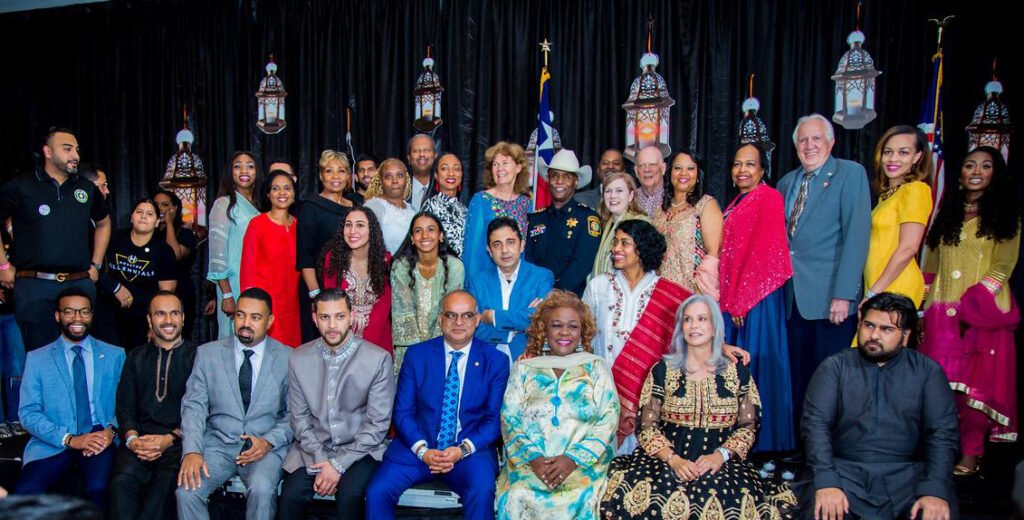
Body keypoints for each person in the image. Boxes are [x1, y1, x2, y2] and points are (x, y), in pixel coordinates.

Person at [600, 295, 796, 519]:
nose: (694, 325)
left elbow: (749, 427)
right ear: (680, 328)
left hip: (721, 459)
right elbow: (647, 427)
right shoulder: (662, 370)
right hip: (667, 458)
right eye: (688, 320)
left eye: (702, 319)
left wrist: (720, 456)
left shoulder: (737, 372)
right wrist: (673, 460)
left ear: (714, 328)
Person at [795, 293, 958, 520]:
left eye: (886, 329)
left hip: (909, 475)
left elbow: (942, 433)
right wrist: (827, 481)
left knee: (935, 511)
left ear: (905, 336)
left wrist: (935, 489)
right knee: (821, 510)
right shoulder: (835, 367)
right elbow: (815, 426)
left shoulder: (927, 371)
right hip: (843, 472)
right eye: (869, 325)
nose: (873, 335)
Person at [365, 290, 510, 520]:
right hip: (417, 449)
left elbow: (494, 420)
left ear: (477, 319)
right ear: (440, 319)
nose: (459, 322)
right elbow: (402, 412)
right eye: (451, 315)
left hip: (469, 451)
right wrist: (423, 451)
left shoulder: (496, 361)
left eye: (467, 315)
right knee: (377, 492)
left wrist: (460, 451)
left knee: (482, 490)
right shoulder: (417, 355)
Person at [920, 146, 1020, 477]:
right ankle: (940, 450)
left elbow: (1004, 265)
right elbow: (931, 266)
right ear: (960, 174)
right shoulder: (946, 215)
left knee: (976, 388)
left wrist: (976, 300)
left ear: (995, 174)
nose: (976, 170)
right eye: (969, 165)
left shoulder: (1005, 216)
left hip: (982, 316)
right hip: (940, 316)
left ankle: (971, 452)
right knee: (941, 388)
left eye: (985, 165)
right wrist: (922, 306)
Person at [776, 114, 870, 432]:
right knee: (798, 378)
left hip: (830, 299)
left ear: (830, 142)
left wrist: (844, 294)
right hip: (792, 301)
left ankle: (830, 452)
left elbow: (856, 237)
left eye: (816, 138)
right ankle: (804, 448)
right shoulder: (787, 182)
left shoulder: (849, 175)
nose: (809, 145)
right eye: (803, 140)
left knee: (830, 380)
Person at [495, 289, 619, 519]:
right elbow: (509, 419)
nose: (565, 333)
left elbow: (608, 419)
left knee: (583, 497)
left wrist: (573, 459)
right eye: (556, 325)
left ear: (583, 332)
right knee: (517, 495)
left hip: (585, 466)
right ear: (544, 329)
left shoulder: (596, 368)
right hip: (530, 465)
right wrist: (534, 459)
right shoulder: (524, 369)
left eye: (573, 326)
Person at [176, 288, 292, 520]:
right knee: (186, 491)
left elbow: (295, 414)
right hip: (217, 445)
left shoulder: (288, 357)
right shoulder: (208, 354)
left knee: (262, 489)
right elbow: (194, 407)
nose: (246, 323)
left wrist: (269, 442)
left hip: (264, 448)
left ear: (270, 321)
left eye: (255, 317)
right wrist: (192, 451)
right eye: (240, 315)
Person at [278, 289, 395, 519]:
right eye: (325, 317)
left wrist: (338, 465)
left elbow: (377, 426)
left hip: (361, 451)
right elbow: (299, 419)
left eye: (339, 316)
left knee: (350, 495)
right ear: (314, 319)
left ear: (351, 317)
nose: (332, 325)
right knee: (290, 495)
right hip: (313, 449)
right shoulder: (299, 357)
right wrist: (322, 460)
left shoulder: (377, 359)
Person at [582, 219, 690, 452]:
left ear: (642, 248)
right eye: (615, 243)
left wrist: (722, 348)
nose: (616, 249)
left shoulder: (670, 294)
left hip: (648, 398)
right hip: (604, 391)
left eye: (625, 243)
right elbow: (582, 336)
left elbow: (692, 336)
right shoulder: (598, 286)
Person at [0, 128, 111, 351]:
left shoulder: (86, 189)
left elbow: (104, 223)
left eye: (77, 150)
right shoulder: (21, 186)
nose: (75, 156)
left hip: (78, 283)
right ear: (47, 152)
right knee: (39, 356)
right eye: (67, 149)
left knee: (78, 353)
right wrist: (3, 265)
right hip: (35, 286)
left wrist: (96, 264)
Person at [15, 287, 125, 509]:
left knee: (98, 488)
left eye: (84, 312)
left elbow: (127, 404)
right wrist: (69, 439)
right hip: (52, 440)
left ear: (92, 315)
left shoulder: (115, 354)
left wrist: (110, 431)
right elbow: (28, 412)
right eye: (70, 312)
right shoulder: (37, 358)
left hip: (98, 437)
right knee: (25, 493)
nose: (77, 318)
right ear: (58, 316)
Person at [719, 143, 795, 452]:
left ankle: (764, 444)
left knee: (758, 367)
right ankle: (736, 441)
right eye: (737, 164)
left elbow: (765, 255)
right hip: (739, 295)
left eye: (750, 164)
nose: (742, 170)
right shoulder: (738, 200)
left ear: (763, 169)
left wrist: (742, 300)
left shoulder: (769, 198)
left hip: (757, 298)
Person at [109, 291, 196, 520]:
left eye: (174, 313)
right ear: (149, 320)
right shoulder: (135, 357)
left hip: (179, 444)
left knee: (165, 490)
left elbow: (203, 411)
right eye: (160, 314)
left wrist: (170, 439)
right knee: (121, 483)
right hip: (138, 443)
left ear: (183, 318)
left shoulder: (199, 358)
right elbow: (125, 406)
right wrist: (133, 439)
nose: (168, 321)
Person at [296, 150, 363, 343]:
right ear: (320, 175)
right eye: (329, 171)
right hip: (320, 287)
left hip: (351, 285)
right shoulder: (311, 207)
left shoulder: (355, 206)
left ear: (348, 176)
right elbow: (305, 257)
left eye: (341, 171)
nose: (335, 177)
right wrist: (316, 296)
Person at [467, 217, 554, 363]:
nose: (504, 250)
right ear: (489, 250)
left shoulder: (542, 277)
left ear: (522, 245)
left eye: (510, 242)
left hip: (528, 358)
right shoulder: (478, 282)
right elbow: (474, 327)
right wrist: (512, 331)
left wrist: (494, 317)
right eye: (497, 244)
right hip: (487, 360)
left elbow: (540, 319)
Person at [864, 125, 933, 307]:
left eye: (903, 152)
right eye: (888, 152)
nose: (893, 158)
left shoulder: (916, 190)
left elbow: (908, 248)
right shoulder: (887, 195)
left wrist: (874, 292)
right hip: (879, 285)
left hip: (896, 288)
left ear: (917, 156)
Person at [100, 198, 178, 349]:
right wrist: (115, 288)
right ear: (131, 217)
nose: (143, 216)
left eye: (149, 214)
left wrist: (154, 325)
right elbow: (96, 270)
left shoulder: (164, 251)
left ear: (157, 222)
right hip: (108, 314)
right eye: (139, 212)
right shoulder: (113, 239)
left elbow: (166, 293)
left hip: (142, 318)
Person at [391, 212, 465, 371]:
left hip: (443, 346)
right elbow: (404, 314)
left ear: (441, 235)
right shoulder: (400, 267)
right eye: (418, 231)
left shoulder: (455, 266)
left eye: (431, 229)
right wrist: (417, 355)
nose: (424, 235)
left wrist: (433, 351)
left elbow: (449, 313)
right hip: (408, 350)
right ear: (412, 238)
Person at [525, 149, 601, 297]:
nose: (559, 181)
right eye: (555, 175)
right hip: (534, 297)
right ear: (547, 179)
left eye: (567, 177)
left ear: (576, 181)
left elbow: (582, 264)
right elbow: (528, 260)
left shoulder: (588, 218)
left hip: (569, 300)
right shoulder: (535, 219)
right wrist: (539, 292)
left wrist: (555, 293)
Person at [317, 207, 393, 354]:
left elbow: (383, 311)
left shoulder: (386, 263)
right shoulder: (333, 260)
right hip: (340, 344)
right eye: (348, 225)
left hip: (378, 348)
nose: (352, 231)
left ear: (372, 230)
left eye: (360, 225)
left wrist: (364, 351)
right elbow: (332, 307)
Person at [240, 170, 301, 347]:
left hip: (292, 306)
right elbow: (247, 269)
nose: (282, 193)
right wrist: (252, 307)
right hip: (266, 304)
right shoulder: (257, 224)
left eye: (287, 188)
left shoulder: (299, 225)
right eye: (276, 188)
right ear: (268, 194)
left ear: (294, 194)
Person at [652, 151, 722, 296]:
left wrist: (698, 294)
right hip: (660, 294)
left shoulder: (706, 204)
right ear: (670, 173)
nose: (683, 173)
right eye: (678, 168)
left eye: (690, 168)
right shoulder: (660, 209)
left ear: (698, 175)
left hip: (691, 294)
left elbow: (714, 252)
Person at [207, 151, 262, 339]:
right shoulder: (224, 204)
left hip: (256, 282)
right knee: (233, 338)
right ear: (230, 172)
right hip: (233, 285)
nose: (244, 170)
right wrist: (227, 294)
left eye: (250, 166)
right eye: (237, 166)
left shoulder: (259, 206)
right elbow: (217, 254)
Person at [463, 141, 532, 277]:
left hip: (519, 281)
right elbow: (473, 250)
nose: (499, 168)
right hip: (486, 279)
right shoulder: (481, 200)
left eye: (505, 163)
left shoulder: (527, 204)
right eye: (495, 164)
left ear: (518, 167)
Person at [153, 190, 199, 338]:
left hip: (181, 291)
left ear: (174, 209)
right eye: (156, 204)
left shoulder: (186, 234)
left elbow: (174, 255)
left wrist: (170, 224)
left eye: (165, 205)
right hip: (154, 289)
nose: (160, 208)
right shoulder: (148, 233)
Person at [589, 172, 650, 280]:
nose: (613, 196)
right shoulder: (605, 223)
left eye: (619, 191)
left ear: (631, 195)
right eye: (608, 191)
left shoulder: (641, 224)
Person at [364, 158, 417, 254]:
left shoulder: (412, 210)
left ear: (406, 179)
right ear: (380, 181)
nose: (395, 181)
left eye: (399, 175)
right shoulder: (373, 207)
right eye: (388, 176)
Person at [421, 153, 469, 256]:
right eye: (444, 168)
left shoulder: (465, 209)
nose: (451, 173)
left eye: (456, 169)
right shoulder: (430, 206)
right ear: (436, 175)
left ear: (461, 174)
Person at [633, 146, 666, 218]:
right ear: (636, 171)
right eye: (641, 165)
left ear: (663, 168)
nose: (647, 170)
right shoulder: (630, 198)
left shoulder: (672, 197)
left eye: (652, 164)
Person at [407, 134, 438, 210]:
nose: (422, 154)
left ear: (435, 156)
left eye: (427, 150)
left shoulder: (443, 188)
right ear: (409, 158)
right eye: (416, 151)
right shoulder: (400, 188)